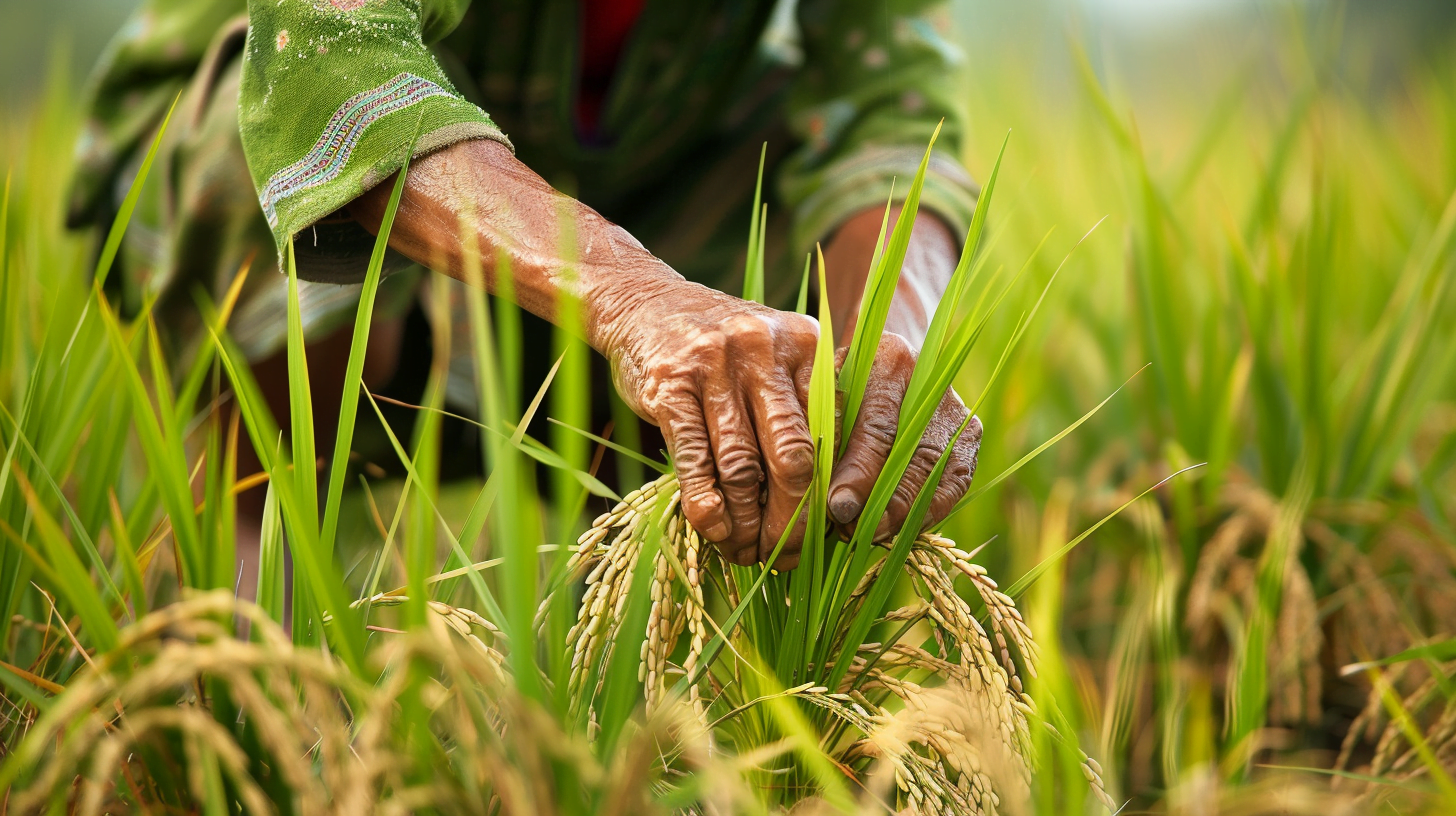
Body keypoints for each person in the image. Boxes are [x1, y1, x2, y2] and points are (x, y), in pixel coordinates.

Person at [69, 0, 984, 571]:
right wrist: (637, 301)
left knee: (781, 286)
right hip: (278, 169)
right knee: (266, 129)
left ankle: (653, 611)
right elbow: (330, 54)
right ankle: (244, 552)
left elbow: (890, 132)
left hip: (626, 166)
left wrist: (874, 359)